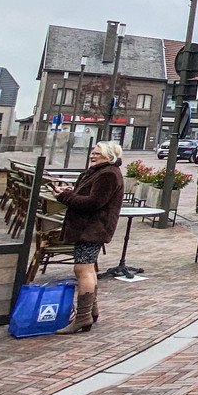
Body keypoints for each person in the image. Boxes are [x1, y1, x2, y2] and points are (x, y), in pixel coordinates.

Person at [55, 141, 124, 334]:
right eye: (93, 152)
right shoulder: (96, 172)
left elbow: (94, 202)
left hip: (93, 228)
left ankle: (83, 317)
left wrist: (65, 197)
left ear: (109, 157)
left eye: (98, 153)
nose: (93, 156)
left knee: (82, 269)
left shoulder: (108, 174)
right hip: (87, 227)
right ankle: (91, 311)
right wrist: (69, 192)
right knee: (89, 268)